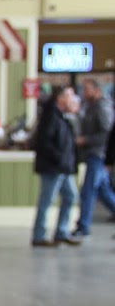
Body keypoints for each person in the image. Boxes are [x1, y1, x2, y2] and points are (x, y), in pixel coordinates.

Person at [32, 87, 82, 247]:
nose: (73, 98)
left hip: (63, 167)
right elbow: (45, 142)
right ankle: (39, 235)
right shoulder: (51, 116)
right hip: (53, 166)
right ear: (60, 98)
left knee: (71, 196)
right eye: (69, 95)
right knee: (46, 200)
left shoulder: (63, 116)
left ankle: (61, 232)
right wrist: (59, 159)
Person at [71, 78, 115, 240]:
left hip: (98, 154)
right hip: (91, 154)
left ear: (97, 90)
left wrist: (86, 140)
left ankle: (83, 227)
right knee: (103, 192)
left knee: (88, 191)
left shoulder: (103, 108)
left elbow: (107, 134)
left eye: (87, 89)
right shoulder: (89, 107)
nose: (84, 92)